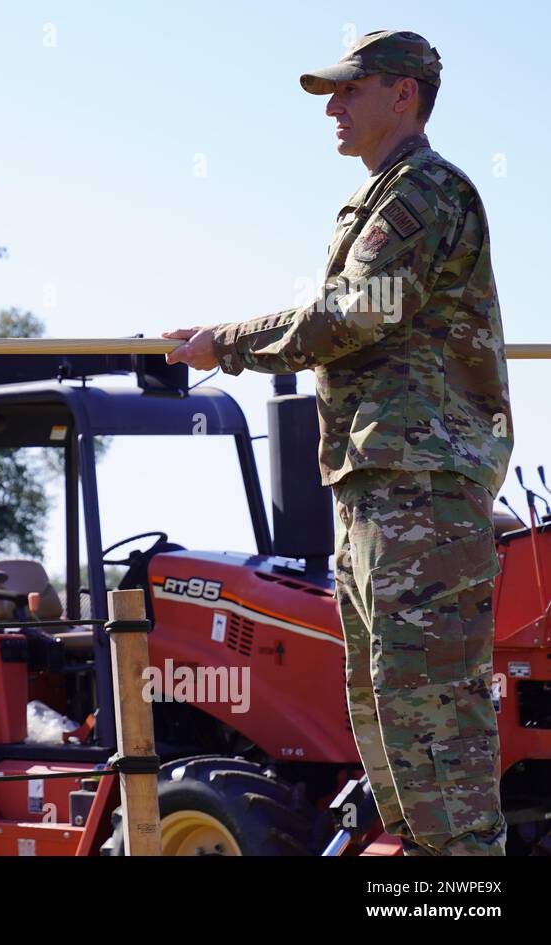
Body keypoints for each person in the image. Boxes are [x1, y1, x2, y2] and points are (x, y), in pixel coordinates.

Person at [164, 31, 511, 855]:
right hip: (378, 488)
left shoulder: (425, 192)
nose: (332, 107)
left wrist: (228, 344)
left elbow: (355, 313)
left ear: (404, 95)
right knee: (387, 708)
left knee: (431, 718)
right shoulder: (383, 197)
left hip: (422, 486)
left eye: (349, 91)